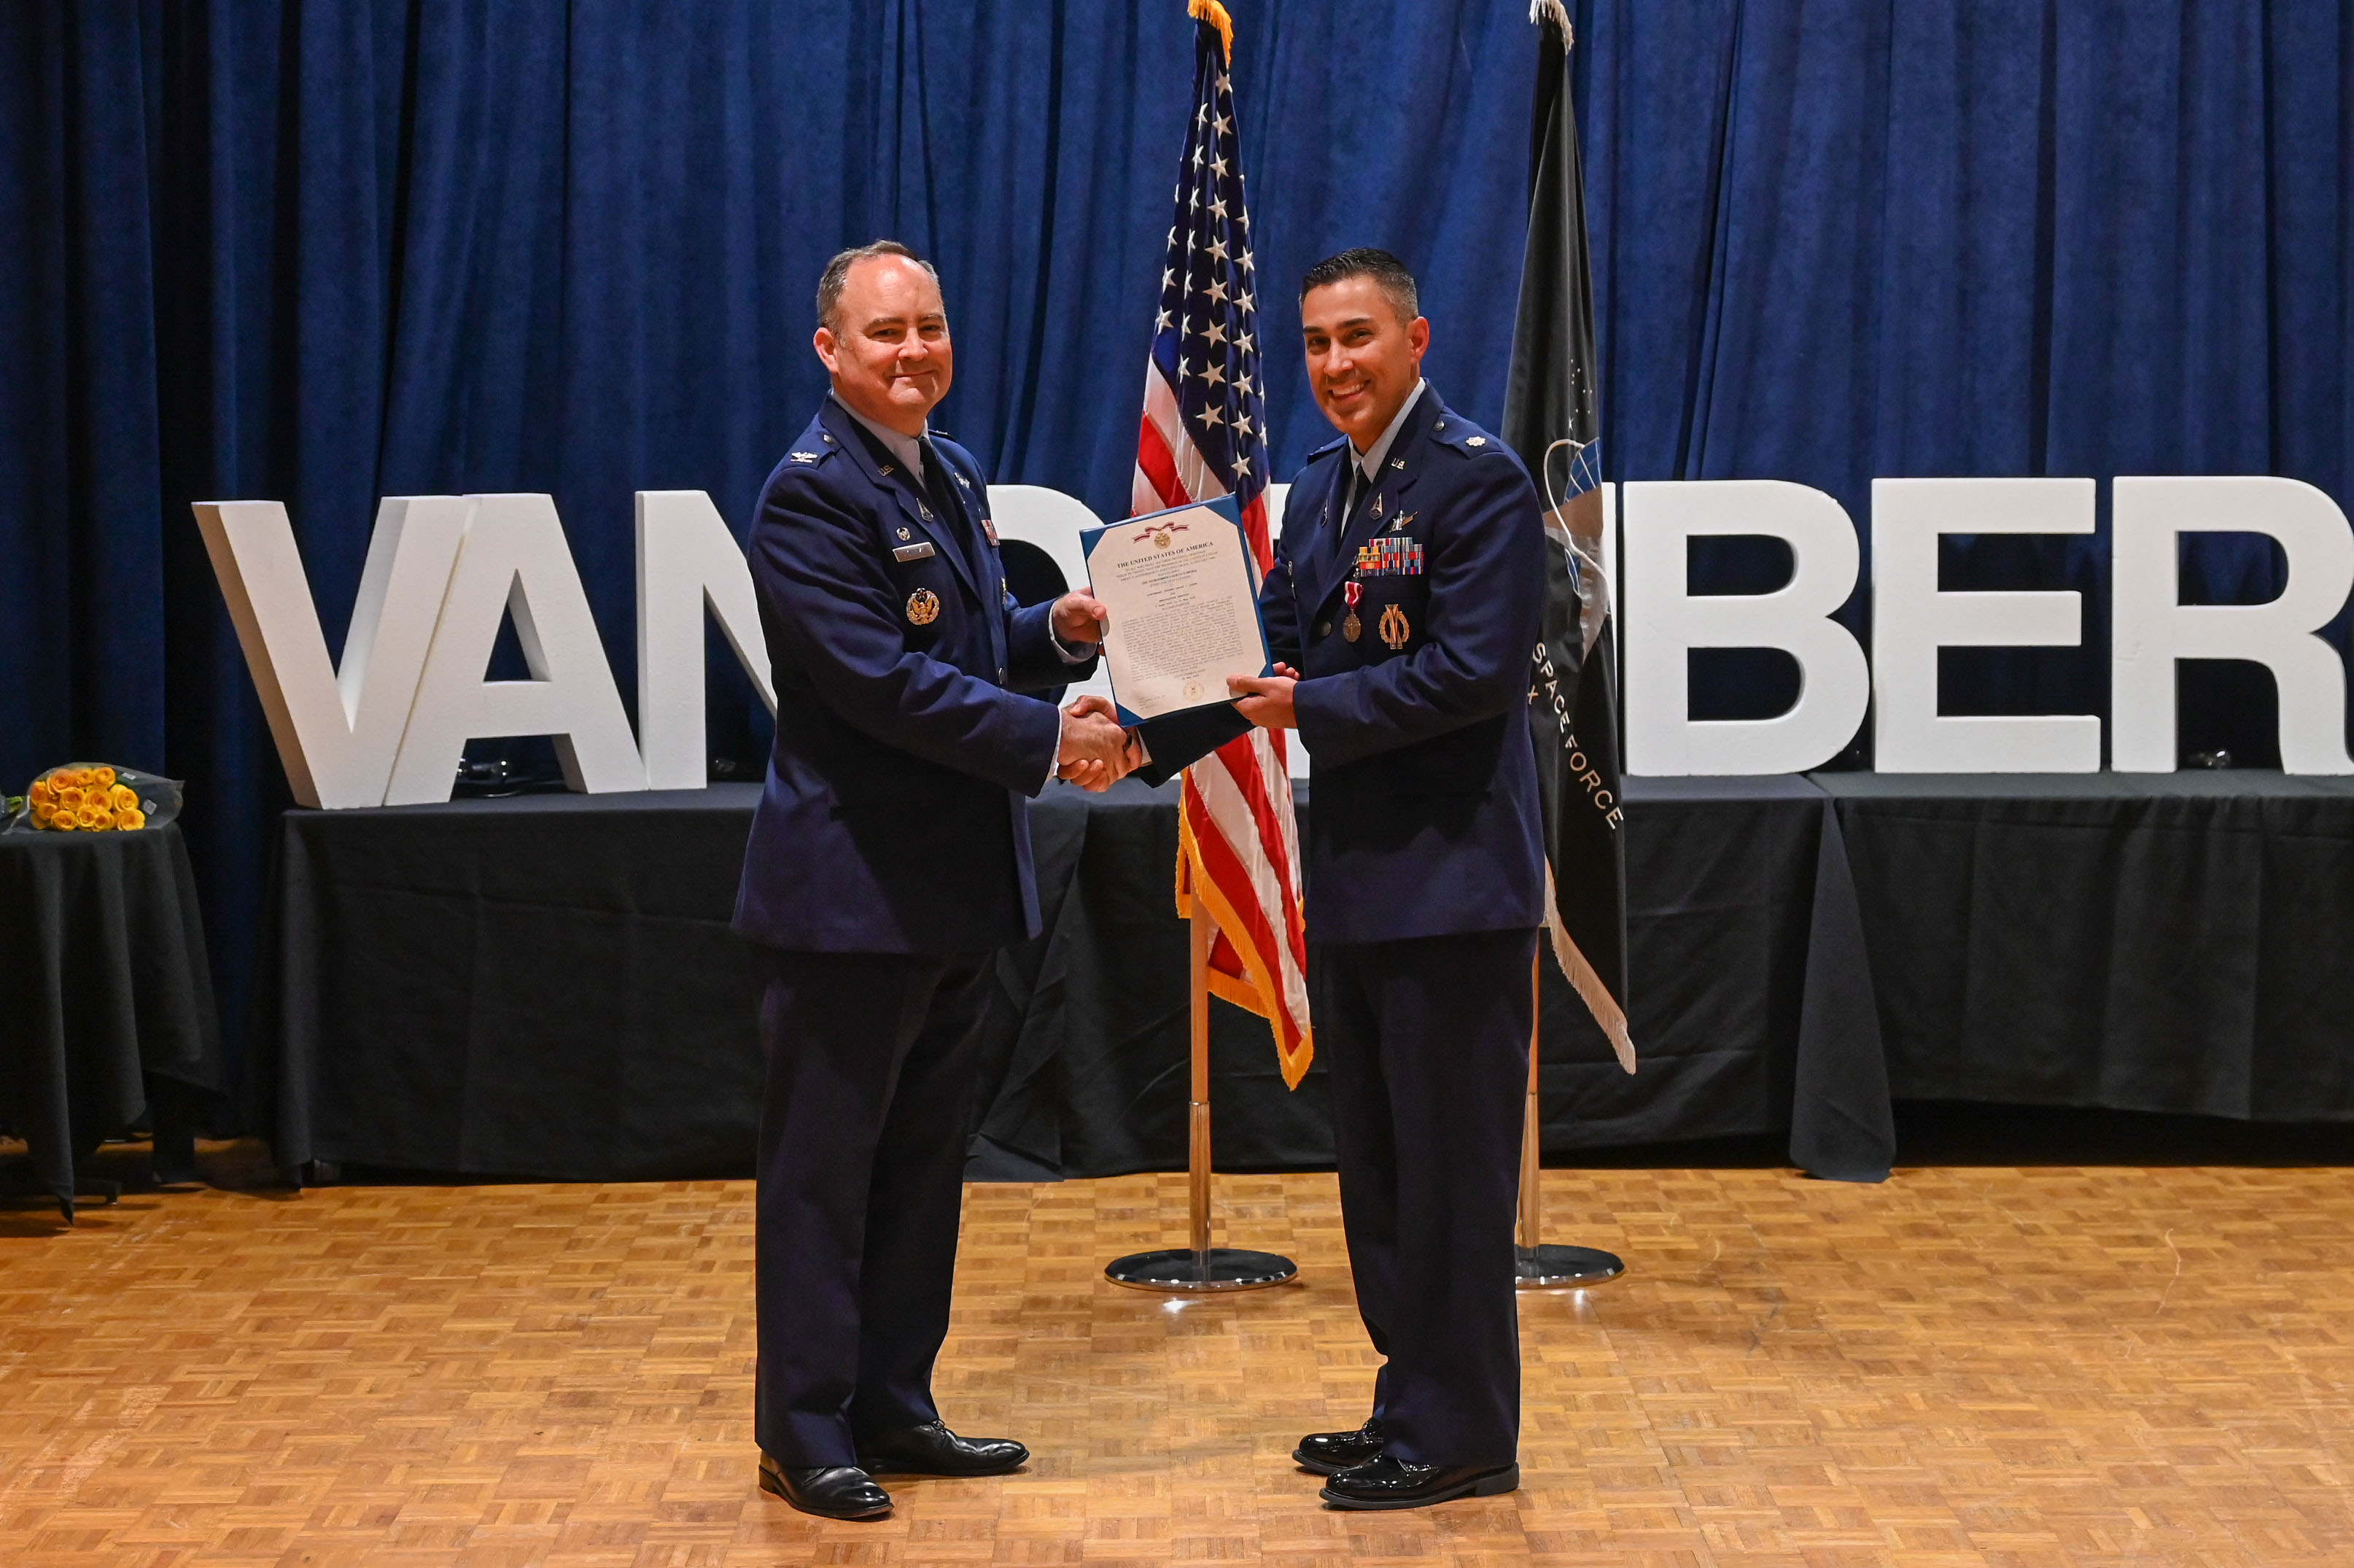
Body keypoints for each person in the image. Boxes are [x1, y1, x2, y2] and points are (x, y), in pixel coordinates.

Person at [1131, 248, 1545, 1510]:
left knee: (1453, 1177)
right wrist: (1140, 727)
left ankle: (1466, 1431)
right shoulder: (1319, 496)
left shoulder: (1479, 483)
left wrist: (1311, 705)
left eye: (1357, 337)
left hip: (1456, 893)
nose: (1334, 366)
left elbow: (1472, 676)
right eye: (1314, 344)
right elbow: (1263, 652)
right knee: (1382, 1172)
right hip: (1362, 888)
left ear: (1418, 339)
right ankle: (1408, 1402)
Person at [734, 240, 1134, 1521]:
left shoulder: (947, 470)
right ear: (830, 352)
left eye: (931, 326)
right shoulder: (806, 497)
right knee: (823, 1174)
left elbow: (955, 648)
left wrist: (1047, 633)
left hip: (956, 883)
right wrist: (1047, 735)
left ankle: (896, 1403)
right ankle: (804, 1428)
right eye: (886, 331)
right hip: (851, 897)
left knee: (918, 1171)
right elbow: (879, 687)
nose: (915, 350)